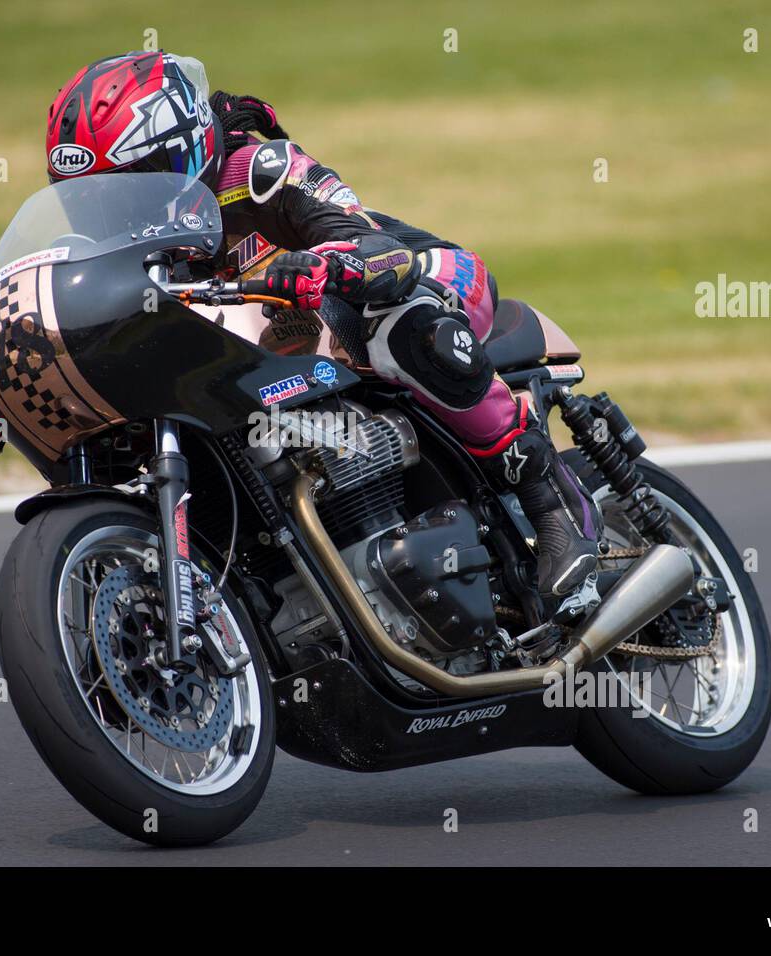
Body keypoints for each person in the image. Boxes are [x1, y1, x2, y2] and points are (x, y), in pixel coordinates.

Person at [43, 51, 600, 607]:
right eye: (85, 195)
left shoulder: (258, 172)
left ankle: (551, 499)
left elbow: (375, 246)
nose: (103, 209)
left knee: (398, 324)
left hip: (416, 272)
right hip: (281, 348)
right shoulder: (120, 247)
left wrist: (329, 265)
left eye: (120, 185)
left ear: (177, 152)